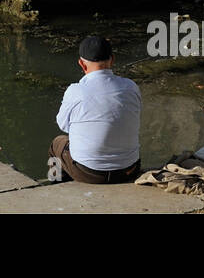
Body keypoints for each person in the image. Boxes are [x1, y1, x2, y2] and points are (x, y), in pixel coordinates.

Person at [49, 35, 142, 184]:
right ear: (112, 59)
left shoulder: (75, 91)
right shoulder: (131, 87)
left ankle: (56, 184)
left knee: (57, 144)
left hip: (90, 173)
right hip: (130, 169)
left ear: (82, 64)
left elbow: (64, 126)